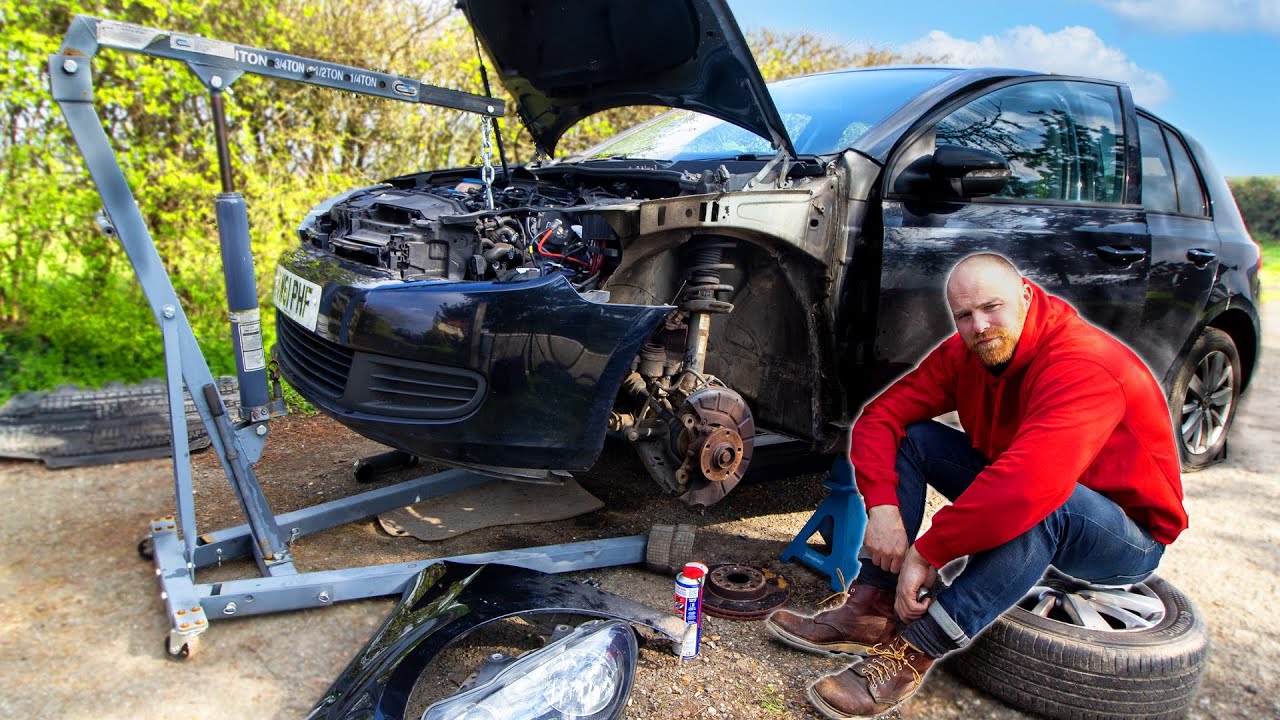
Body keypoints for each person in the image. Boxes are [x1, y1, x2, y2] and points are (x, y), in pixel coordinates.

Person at [765, 253, 1188, 720]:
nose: (979, 326)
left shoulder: (1084, 362)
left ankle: (914, 650)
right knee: (912, 437)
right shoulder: (968, 352)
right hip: (1033, 487)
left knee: (1050, 503)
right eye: (964, 314)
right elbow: (880, 417)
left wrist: (928, 551)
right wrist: (882, 507)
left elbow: (1029, 486)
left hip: (1126, 535)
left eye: (992, 307)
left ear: (1025, 296)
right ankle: (872, 608)